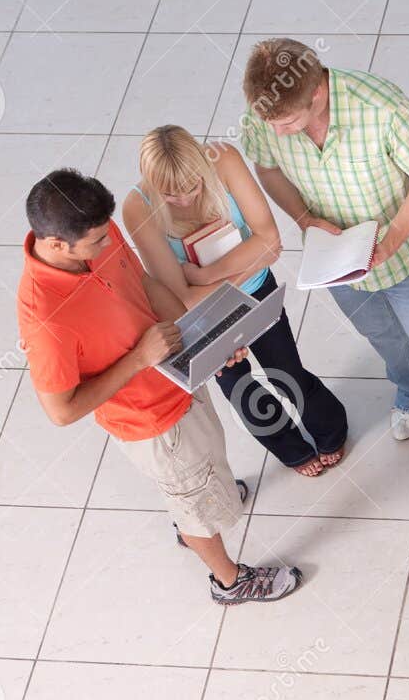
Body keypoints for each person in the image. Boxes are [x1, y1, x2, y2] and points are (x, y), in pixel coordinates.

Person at [17, 169, 302, 605]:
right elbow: (62, 411)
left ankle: (203, 497)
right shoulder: (45, 319)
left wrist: (202, 341)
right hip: (153, 420)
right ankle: (228, 580)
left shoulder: (96, 227)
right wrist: (140, 359)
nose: (109, 244)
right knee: (193, 498)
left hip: (178, 376)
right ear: (57, 245)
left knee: (202, 470)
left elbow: (144, 284)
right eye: (97, 242)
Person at [237, 37, 409, 445]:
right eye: (271, 124)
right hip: (335, 264)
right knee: (382, 335)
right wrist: (305, 218)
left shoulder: (384, 109)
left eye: (287, 123)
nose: (275, 132)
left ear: (317, 94)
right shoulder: (266, 112)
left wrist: (394, 238)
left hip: (402, 255)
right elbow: (269, 168)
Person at [123, 124, 348, 477]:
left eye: (193, 187)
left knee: (286, 370)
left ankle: (331, 430)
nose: (185, 200)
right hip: (205, 316)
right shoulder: (138, 208)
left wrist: (204, 276)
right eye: (170, 195)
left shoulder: (224, 160)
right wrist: (245, 262)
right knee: (240, 389)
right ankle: (292, 450)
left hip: (256, 293)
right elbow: (181, 299)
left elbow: (271, 243)